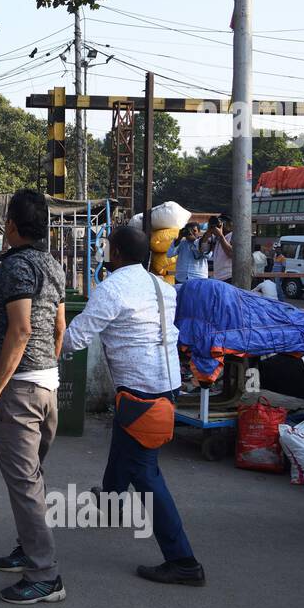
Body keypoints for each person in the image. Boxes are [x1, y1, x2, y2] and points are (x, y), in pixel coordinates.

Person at [63, 225, 205, 586]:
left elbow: (77, 338)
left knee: (145, 473)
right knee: (123, 441)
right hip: (165, 384)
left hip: (141, 391)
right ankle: (111, 504)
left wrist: (33, 343)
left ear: (116, 253)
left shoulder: (113, 288)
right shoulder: (161, 285)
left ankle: (183, 561)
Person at [0, 190, 67, 605]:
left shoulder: (18, 266)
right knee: (31, 478)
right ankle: (29, 547)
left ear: (9, 226)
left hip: (20, 390)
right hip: (45, 386)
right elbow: (58, 327)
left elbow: (21, 329)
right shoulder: (52, 265)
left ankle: (45, 576)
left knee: (25, 483)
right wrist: (47, 372)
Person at [204, 214, 234, 284]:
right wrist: (208, 233)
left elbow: (231, 254)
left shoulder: (233, 235)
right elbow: (204, 250)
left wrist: (221, 236)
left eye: (223, 222)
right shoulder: (216, 237)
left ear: (230, 224)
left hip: (229, 276)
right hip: (218, 277)